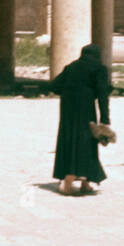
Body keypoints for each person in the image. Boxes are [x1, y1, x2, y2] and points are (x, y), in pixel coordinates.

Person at [51, 42, 111, 195]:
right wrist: (105, 118)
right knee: (87, 142)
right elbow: (103, 95)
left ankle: (86, 183)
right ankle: (68, 182)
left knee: (70, 140)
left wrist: (70, 92)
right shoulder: (99, 69)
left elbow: (55, 85)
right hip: (86, 110)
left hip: (68, 111)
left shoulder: (71, 67)